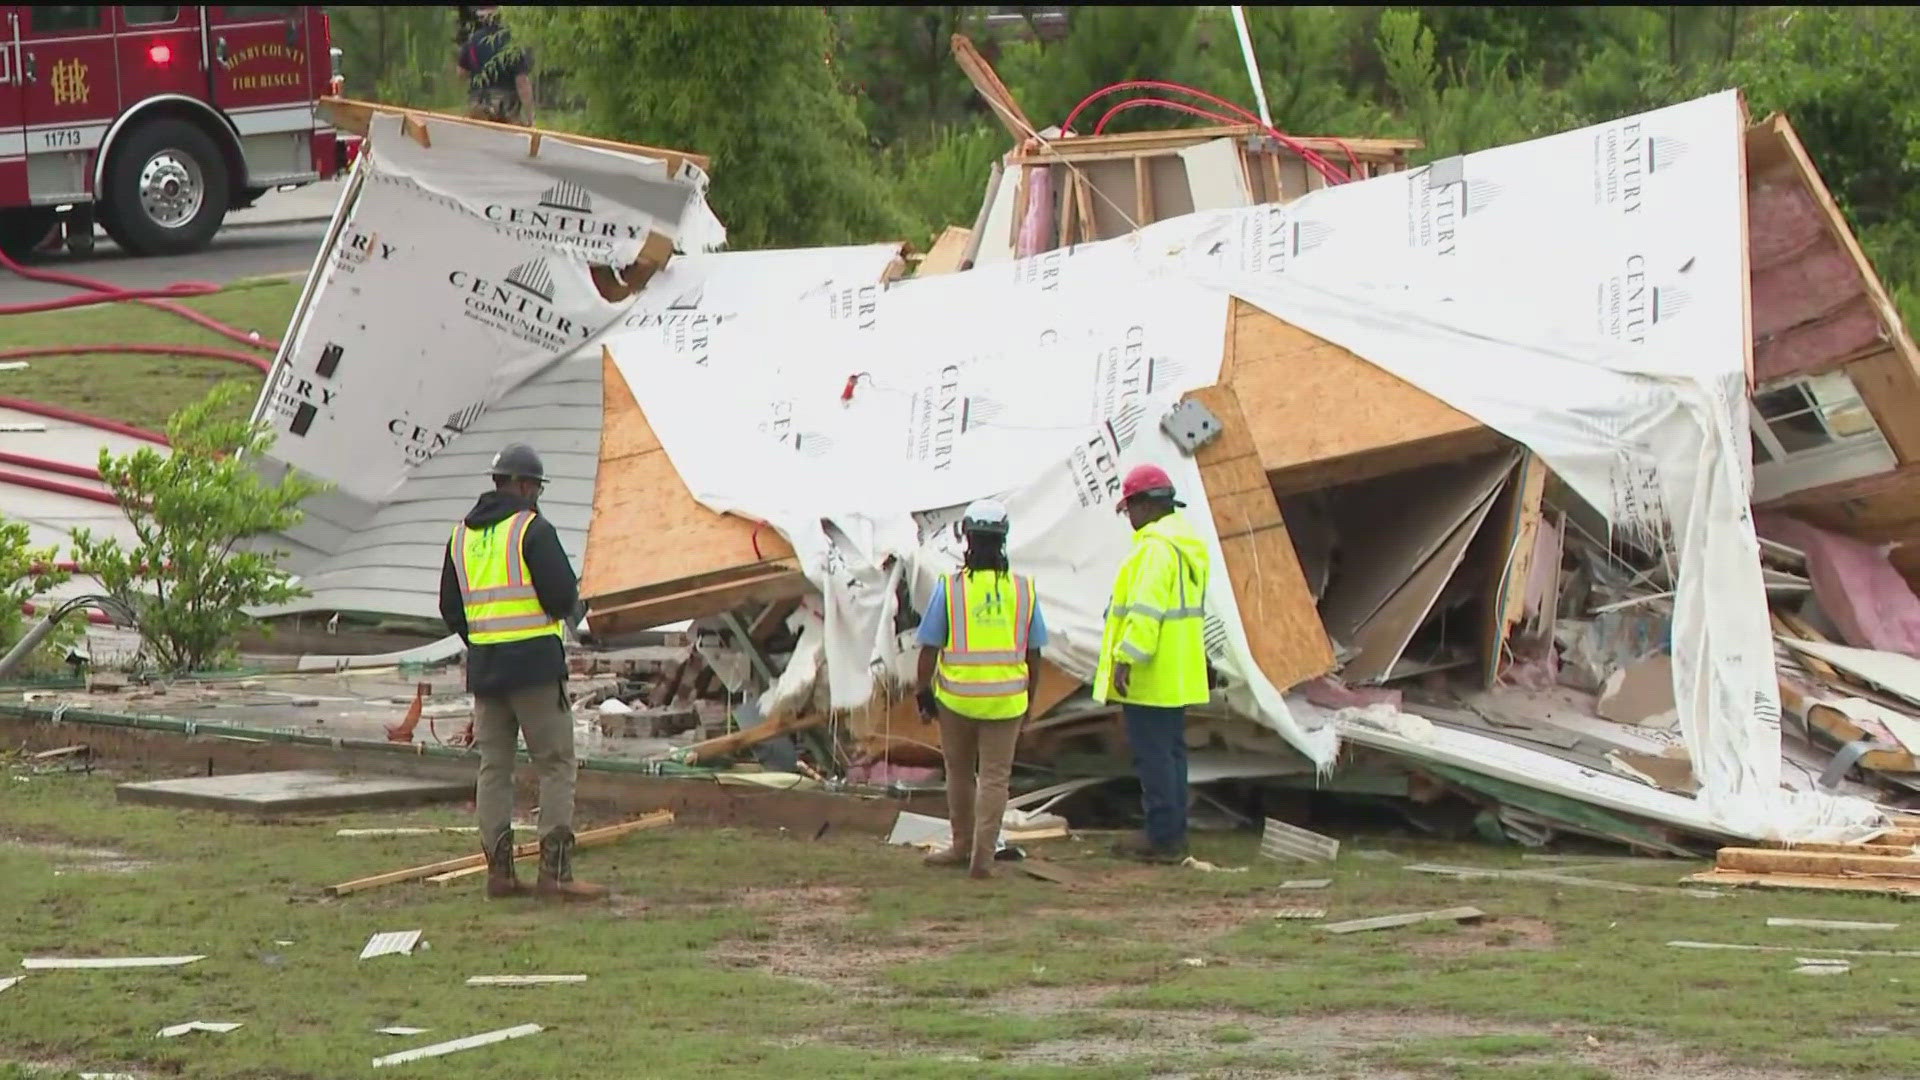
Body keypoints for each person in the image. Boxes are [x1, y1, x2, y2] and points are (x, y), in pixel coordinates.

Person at [438, 443, 603, 901]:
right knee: (555, 765)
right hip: (534, 669)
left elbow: (450, 608)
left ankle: (500, 875)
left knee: (494, 769)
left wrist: (485, 641)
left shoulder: (460, 537)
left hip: (488, 672)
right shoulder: (532, 529)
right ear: (527, 486)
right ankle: (555, 876)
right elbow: (559, 597)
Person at [913, 499, 1049, 880]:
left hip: (956, 700)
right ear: (1003, 539)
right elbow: (1033, 654)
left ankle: (960, 845)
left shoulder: (951, 590)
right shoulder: (1024, 591)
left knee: (958, 773)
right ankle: (983, 858)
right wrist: (1030, 704)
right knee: (994, 778)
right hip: (1007, 702)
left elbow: (929, 648)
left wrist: (923, 694)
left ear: (967, 538)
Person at [1094, 464, 1212, 865]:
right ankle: (1171, 834)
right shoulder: (1184, 544)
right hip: (1177, 670)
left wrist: (1126, 658)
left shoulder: (1154, 549)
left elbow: (1146, 612)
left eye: (1129, 508)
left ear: (1146, 505)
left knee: (1155, 756)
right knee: (1172, 754)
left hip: (1152, 671)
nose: (1129, 516)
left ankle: (1162, 838)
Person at [456, 6, 536, 126]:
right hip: (506, 109)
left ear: (481, 17)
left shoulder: (472, 41)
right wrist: (531, 118)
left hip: (477, 107)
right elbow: (522, 82)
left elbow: (461, 74)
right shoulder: (511, 41)